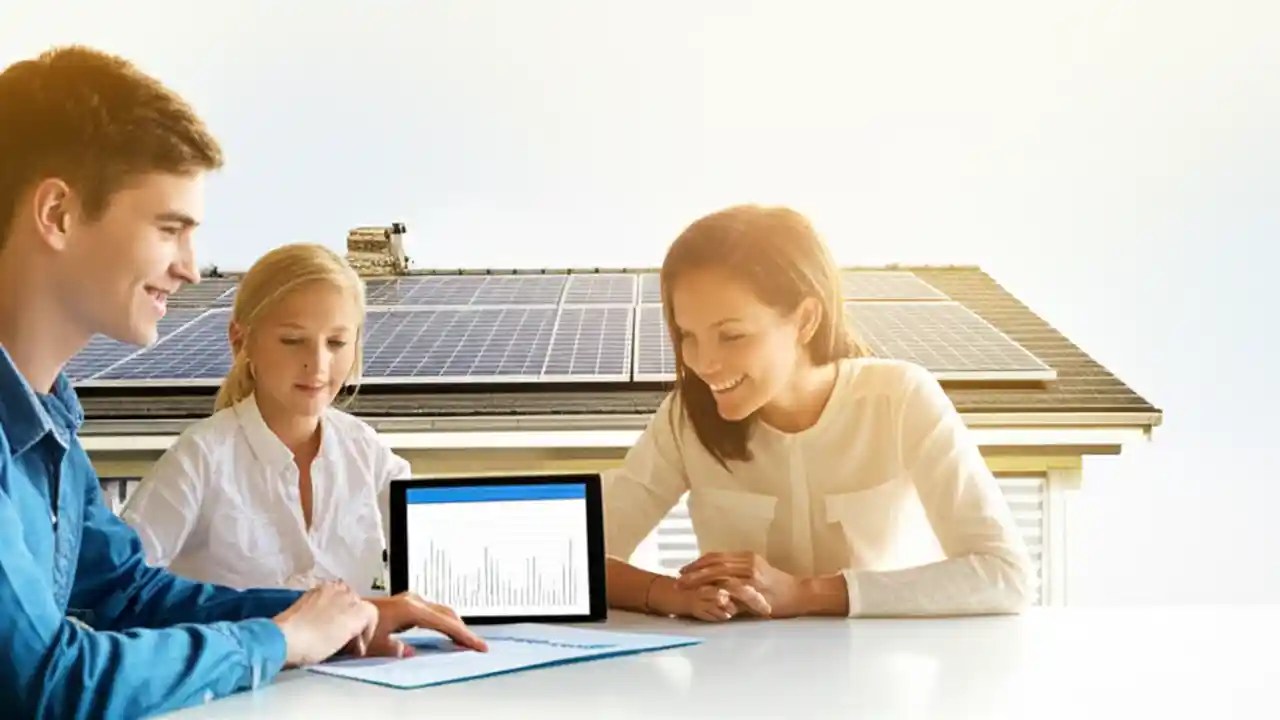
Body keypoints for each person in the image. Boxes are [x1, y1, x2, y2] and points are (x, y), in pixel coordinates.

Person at [0, 46, 484, 719]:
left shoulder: (51, 431)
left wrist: (340, 618)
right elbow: (46, 684)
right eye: (170, 229)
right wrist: (278, 639)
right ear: (56, 213)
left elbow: (129, 593)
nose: (192, 270)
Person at [602, 204, 1034, 621]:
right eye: (687, 335)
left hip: (879, 682)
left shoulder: (899, 399)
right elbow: (577, 559)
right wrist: (666, 593)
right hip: (739, 683)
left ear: (806, 319)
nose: (703, 362)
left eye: (731, 336)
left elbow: (1004, 574)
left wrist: (807, 594)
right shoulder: (686, 419)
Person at [123, 243, 405, 594]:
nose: (317, 364)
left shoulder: (369, 454)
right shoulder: (200, 458)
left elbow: (432, 563)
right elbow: (118, 588)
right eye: (292, 340)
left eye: (336, 342)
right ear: (242, 340)